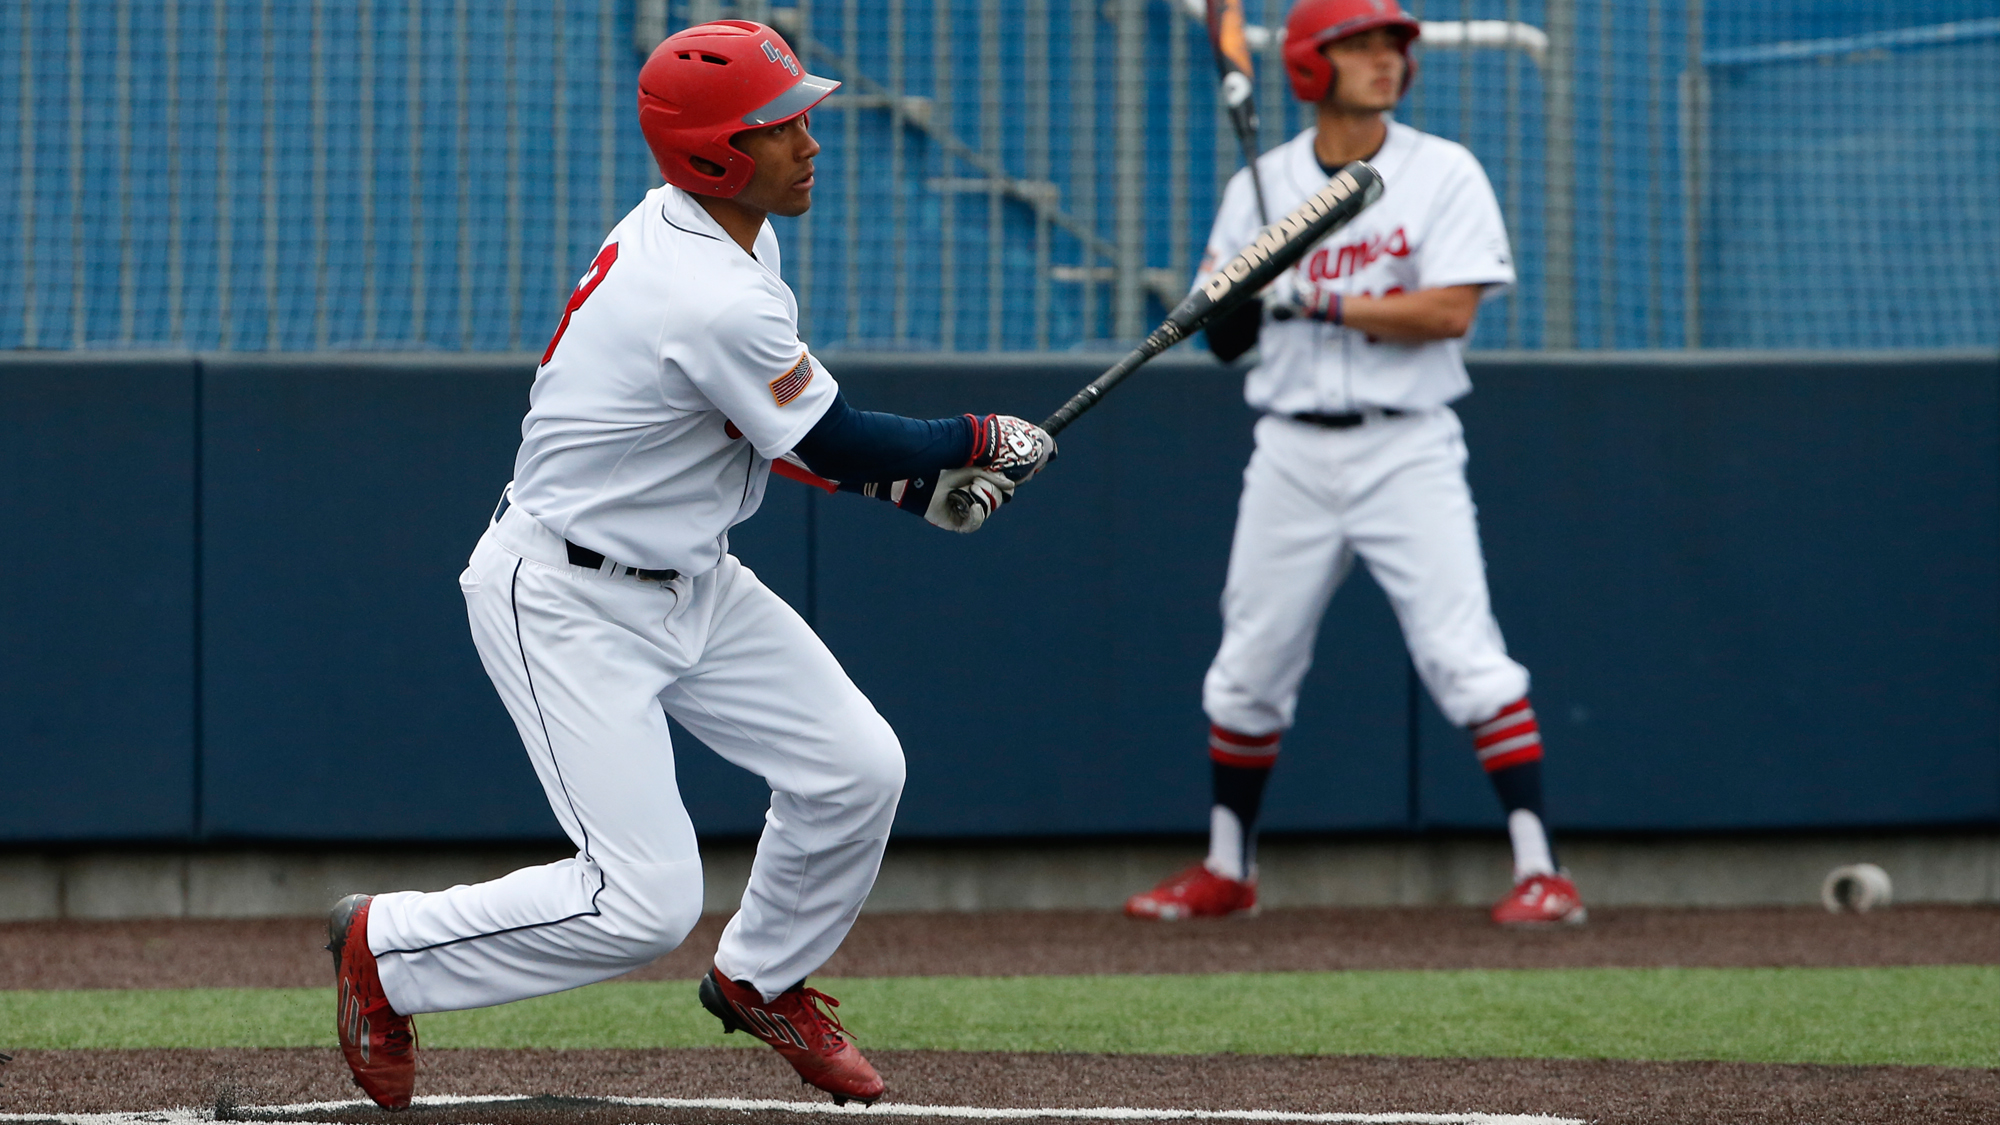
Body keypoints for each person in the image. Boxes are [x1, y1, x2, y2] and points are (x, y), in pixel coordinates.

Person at [324, 20, 1055, 1110]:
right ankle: (386, 950)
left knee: (855, 769)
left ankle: (762, 975)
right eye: (778, 126)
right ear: (714, 153)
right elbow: (831, 438)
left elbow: (760, 429)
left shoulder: (728, 239)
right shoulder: (707, 288)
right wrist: (973, 438)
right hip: (566, 595)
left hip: (690, 577)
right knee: (643, 904)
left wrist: (906, 488)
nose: (809, 141)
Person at [1123, 0, 1584, 927]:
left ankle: (1543, 871)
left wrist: (1314, 300)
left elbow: (1449, 312)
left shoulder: (1443, 170)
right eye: (1360, 46)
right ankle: (1229, 868)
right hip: (1290, 449)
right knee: (1248, 666)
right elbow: (1224, 341)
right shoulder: (1262, 184)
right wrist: (1253, 287)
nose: (1385, 60)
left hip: (1405, 444)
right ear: (1309, 65)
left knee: (1464, 657)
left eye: (1391, 45)